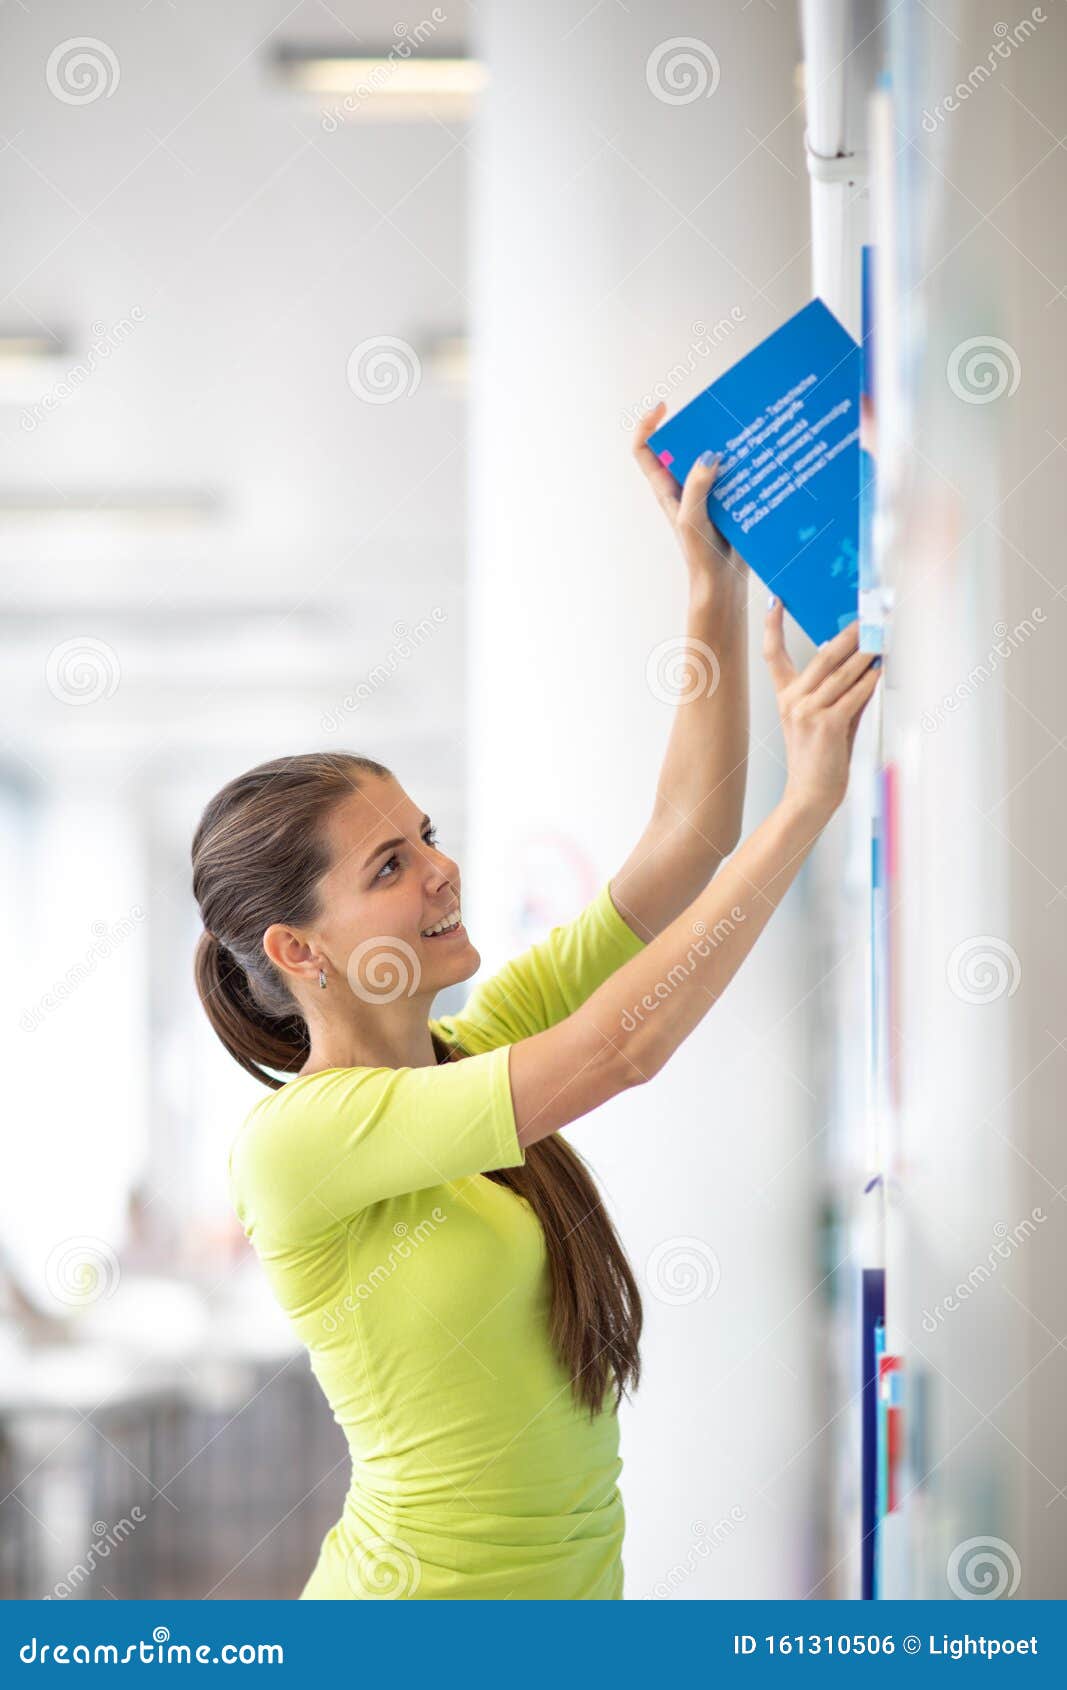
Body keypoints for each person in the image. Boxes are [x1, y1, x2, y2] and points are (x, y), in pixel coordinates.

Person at [190, 405, 880, 1600]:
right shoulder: (296, 1143)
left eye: (427, 836)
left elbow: (684, 837)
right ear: (297, 949)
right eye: (388, 867)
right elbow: (623, 1046)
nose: (439, 871)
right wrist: (808, 804)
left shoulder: (467, 1046)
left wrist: (704, 590)